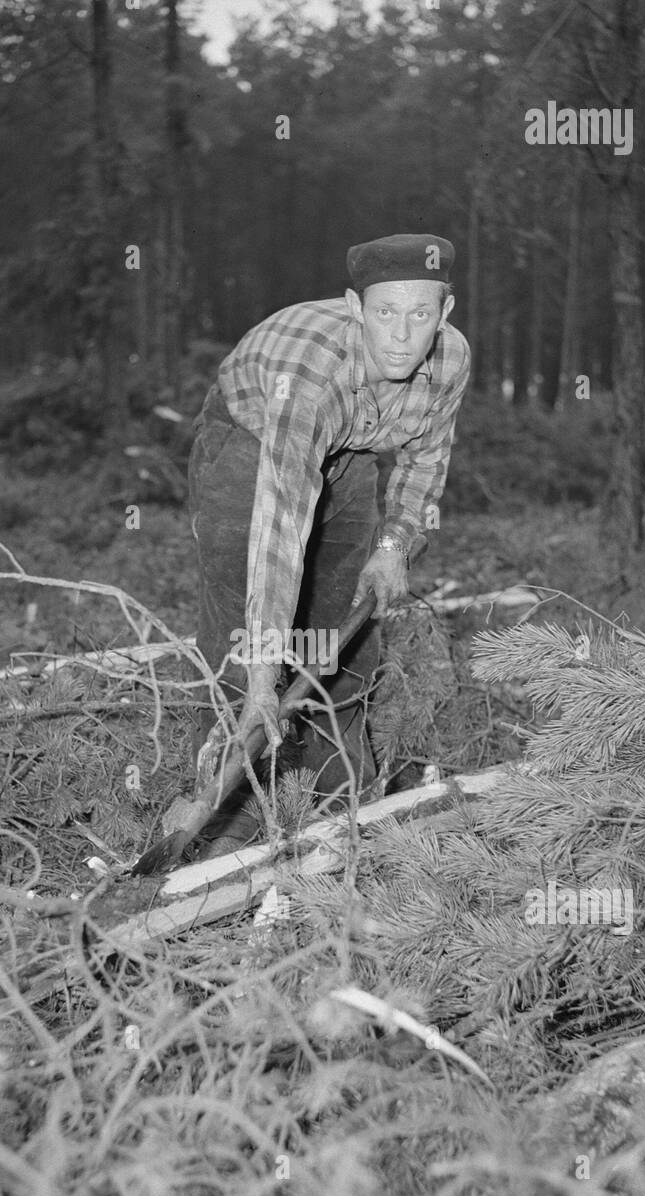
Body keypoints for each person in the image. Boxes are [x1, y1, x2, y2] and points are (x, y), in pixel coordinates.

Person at [187, 232, 471, 856]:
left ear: (444, 314)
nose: (402, 334)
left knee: (343, 625)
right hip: (250, 443)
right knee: (242, 636)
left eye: (420, 314)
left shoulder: (451, 358)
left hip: (353, 452)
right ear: (354, 307)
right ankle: (229, 817)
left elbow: (427, 461)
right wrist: (265, 677)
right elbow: (280, 527)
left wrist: (394, 543)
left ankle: (339, 788)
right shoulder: (311, 378)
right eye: (385, 313)